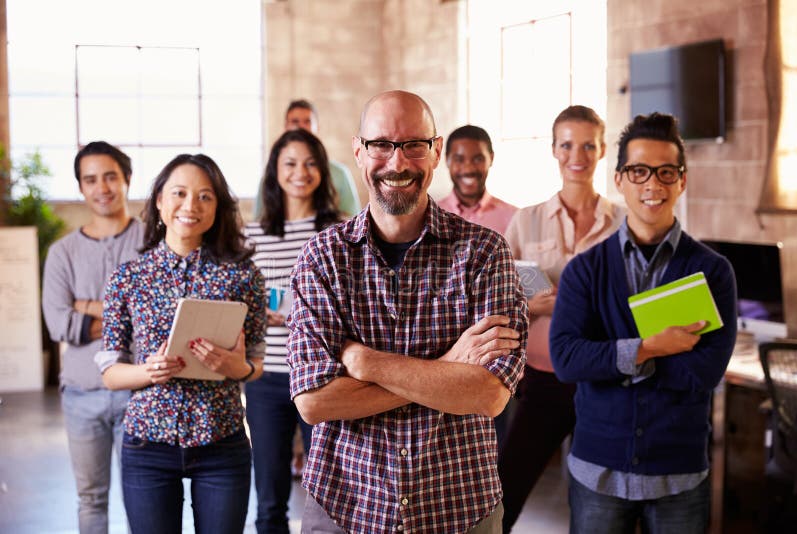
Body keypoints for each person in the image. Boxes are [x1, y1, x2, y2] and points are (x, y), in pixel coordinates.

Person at [287, 90, 528, 533]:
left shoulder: (484, 253)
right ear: (359, 152)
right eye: (381, 144)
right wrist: (448, 366)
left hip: (458, 505)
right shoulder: (322, 258)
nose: (396, 163)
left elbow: (489, 395)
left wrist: (365, 362)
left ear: (435, 151)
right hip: (345, 505)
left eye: (413, 145)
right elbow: (315, 401)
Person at [549, 112, 738, 533]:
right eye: (638, 171)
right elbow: (566, 360)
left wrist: (610, 363)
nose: (652, 184)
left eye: (666, 172)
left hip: (679, 474)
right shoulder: (585, 270)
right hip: (598, 469)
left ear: (682, 181)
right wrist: (651, 347)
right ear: (618, 180)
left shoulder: (713, 271)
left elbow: (705, 372)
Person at [94, 154, 267, 534]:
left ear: (218, 207)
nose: (191, 206)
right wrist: (146, 371)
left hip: (222, 441)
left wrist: (234, 368)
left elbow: (255, 364)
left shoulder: (243, 275)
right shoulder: (128, 277)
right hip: (147, 446)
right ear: (159, 199)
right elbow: (110, 372)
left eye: (205, 196)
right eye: (179, 193)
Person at [498, 105, 625, 532]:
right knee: (506, 489)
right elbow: (496, 298)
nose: (578, 155)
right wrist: (533, 306)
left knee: (598, 503)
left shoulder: (623, 223)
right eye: (567, 144)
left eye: (588, 145)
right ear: (554, 149)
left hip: (603, 381)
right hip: (543, 380)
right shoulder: (526, 220)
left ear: (602, 150)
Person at [42, 141, 143, 534]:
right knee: (90, 498)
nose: (102, 187)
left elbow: (164, 313)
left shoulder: (152, 241)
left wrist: (86, 305)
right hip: (82, 395)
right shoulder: (62, 253)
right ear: (81, 188)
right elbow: (58, 323)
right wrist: (128, 310)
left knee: (143, 494)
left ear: (127, 180)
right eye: (91, 180)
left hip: (140, 392)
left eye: (110, 177)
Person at [243, 128, 341, 534]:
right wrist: (257, 312)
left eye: (310, 162)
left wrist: (307, 312)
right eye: (290, 163)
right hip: (266, 377)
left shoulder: (340, 231)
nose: (301, 172)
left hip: (323, 376)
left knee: (329, 497)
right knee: (269, 500)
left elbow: (351, 303)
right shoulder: (251, 234)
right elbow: (241, 302)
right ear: (274, 171)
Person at [255, 99, 361, 218]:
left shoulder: (340, 173)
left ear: (317, 127)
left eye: (307, 122)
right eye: (295, 121)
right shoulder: (270, 174)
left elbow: (352, 218)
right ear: (286, 126)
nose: (301, 173)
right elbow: (260, 216)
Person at [437, 124, 518, 235]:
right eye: (459, 159)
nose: (468, 169)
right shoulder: (430, 217)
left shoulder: (514, 218)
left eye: (478, 159)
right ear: (447, 160)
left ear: (491, 158)